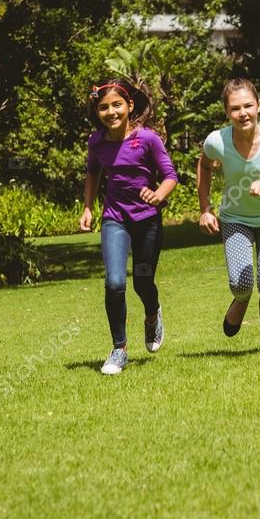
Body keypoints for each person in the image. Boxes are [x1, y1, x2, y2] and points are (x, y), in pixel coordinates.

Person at [80, 79, 178, 375]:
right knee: (114, 283)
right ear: (97, 111)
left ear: (129, 106)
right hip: (115, 218)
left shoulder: (147, 139)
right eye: (103, 107)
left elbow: (170, 174)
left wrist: (158, 195)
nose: (110, 112)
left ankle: (152, 314)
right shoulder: (96, 142)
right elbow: (92, 173)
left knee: (142, 282)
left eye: (116, 105)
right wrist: (87, 207)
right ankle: (119, 349)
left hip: (147, 220)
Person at [197, 77, 260, 352]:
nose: (243, 113)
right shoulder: (217, 140)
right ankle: (240, 299)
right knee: (241, 284)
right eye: (235, 108)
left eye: (248, 106)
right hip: (235, 219)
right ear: (227, 112)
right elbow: (204, 167)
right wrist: (205, 208)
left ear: (259, 106)